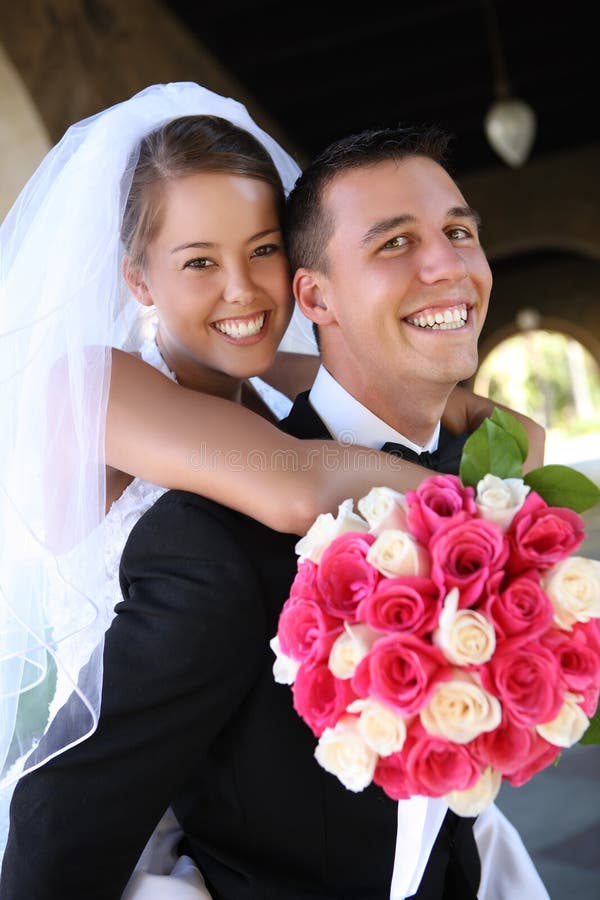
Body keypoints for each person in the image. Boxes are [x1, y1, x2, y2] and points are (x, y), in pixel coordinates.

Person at [0, 118, 549, 899]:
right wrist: (482, 517)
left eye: (263, 250)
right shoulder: (94, 384)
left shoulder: (256, 377)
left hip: (255, 772)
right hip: (132, 787)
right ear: (139, 281)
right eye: (199, 261)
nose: (243, 289)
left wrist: (470, 428)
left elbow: (474, 417)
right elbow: (297, 486)